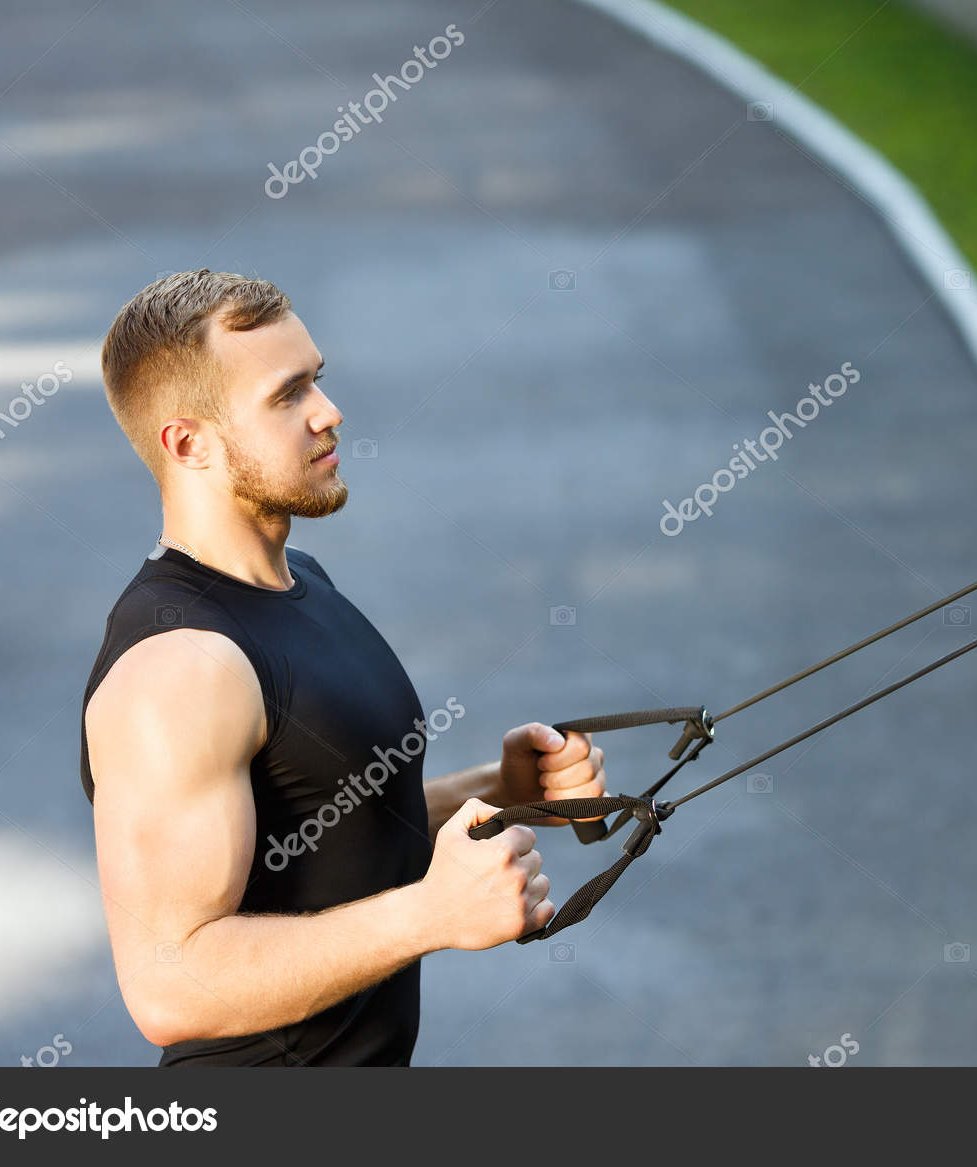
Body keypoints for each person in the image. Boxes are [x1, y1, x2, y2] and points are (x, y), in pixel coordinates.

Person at [79, 269, 606, 1066]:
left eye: (316, 381)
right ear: (188, 443)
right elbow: (168, 985)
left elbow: (330, 828)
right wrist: (432, 915)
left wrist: (502, 794)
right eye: (286, 396)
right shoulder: (179, 666)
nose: (329, 413)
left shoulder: (301, 584)